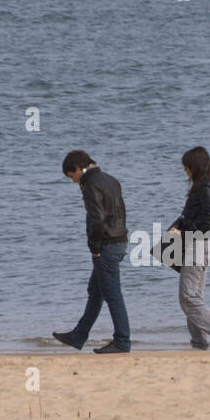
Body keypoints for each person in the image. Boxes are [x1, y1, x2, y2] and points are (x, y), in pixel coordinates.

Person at [52, 150, 131, 354]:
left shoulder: (90, 185)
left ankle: (122, 341)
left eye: (72, 176)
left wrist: (94, 248)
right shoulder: (111, 180)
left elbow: (97, 219)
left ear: (77, 169)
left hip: (106, 244)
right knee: (95, 292)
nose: (73, 181)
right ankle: (79, 335)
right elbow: (120, 213)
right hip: (120, 240)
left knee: (112, 294)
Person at [168, 146, 210, 351]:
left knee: (187, 297)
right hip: (200, 243)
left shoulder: (204, 187)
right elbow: (191, 214)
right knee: (194, 296)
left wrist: (191, 229)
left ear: (194, 167)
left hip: (199, 244)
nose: (185, 170)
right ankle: (199, 343)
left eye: (186, 167)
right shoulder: (203, 185)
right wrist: (177, 227)